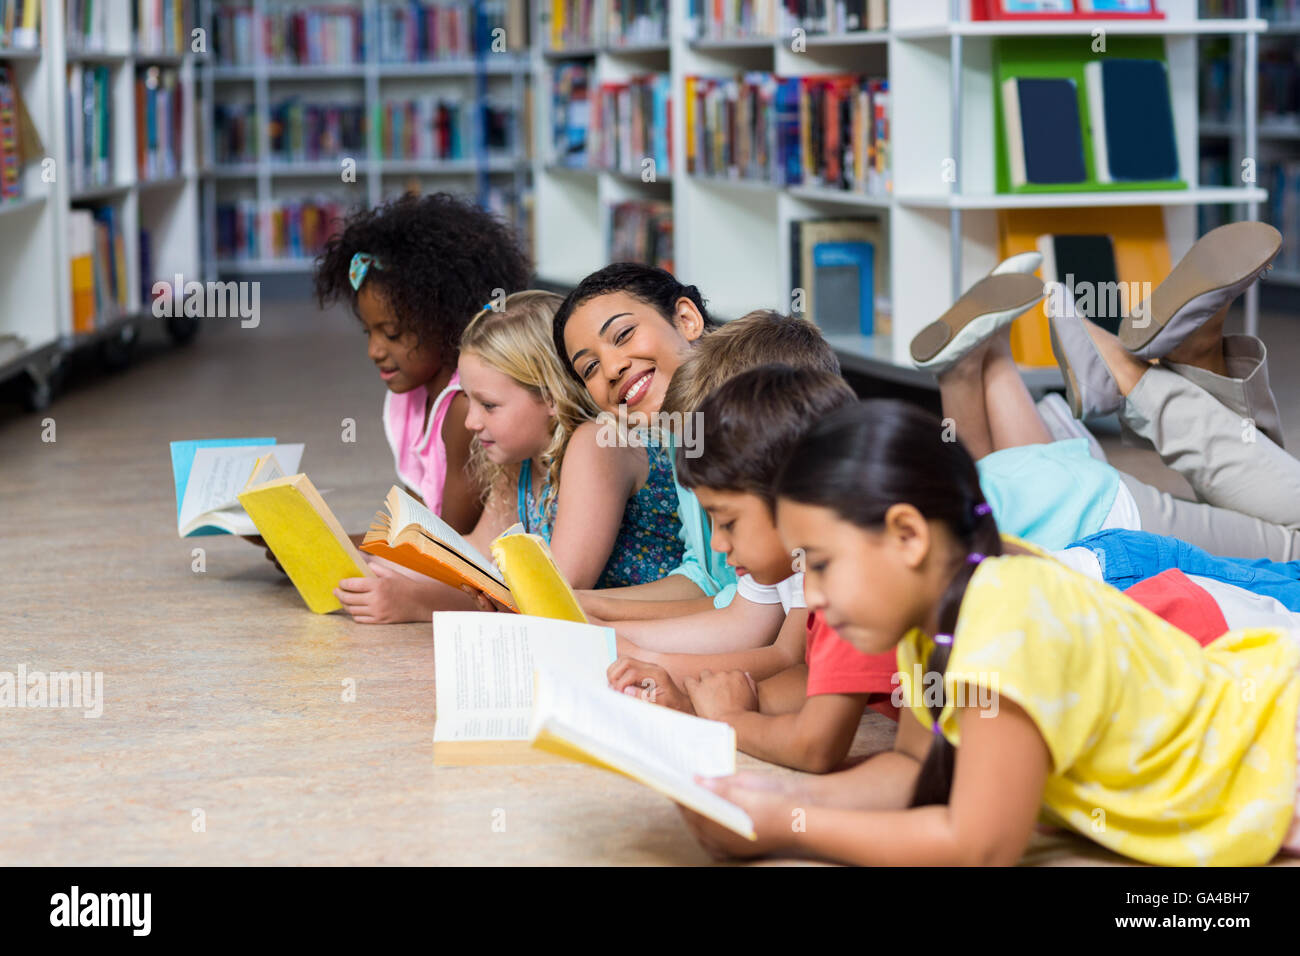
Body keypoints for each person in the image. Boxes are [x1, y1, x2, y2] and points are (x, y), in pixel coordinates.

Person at [677, 399, 1300, 866]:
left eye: (820, 563)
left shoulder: (1004, 616)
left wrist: (784, 826)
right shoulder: (930, 619)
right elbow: (911, 769)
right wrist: (772, 798)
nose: (810, 596)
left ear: (908, 536)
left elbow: (980, 845)